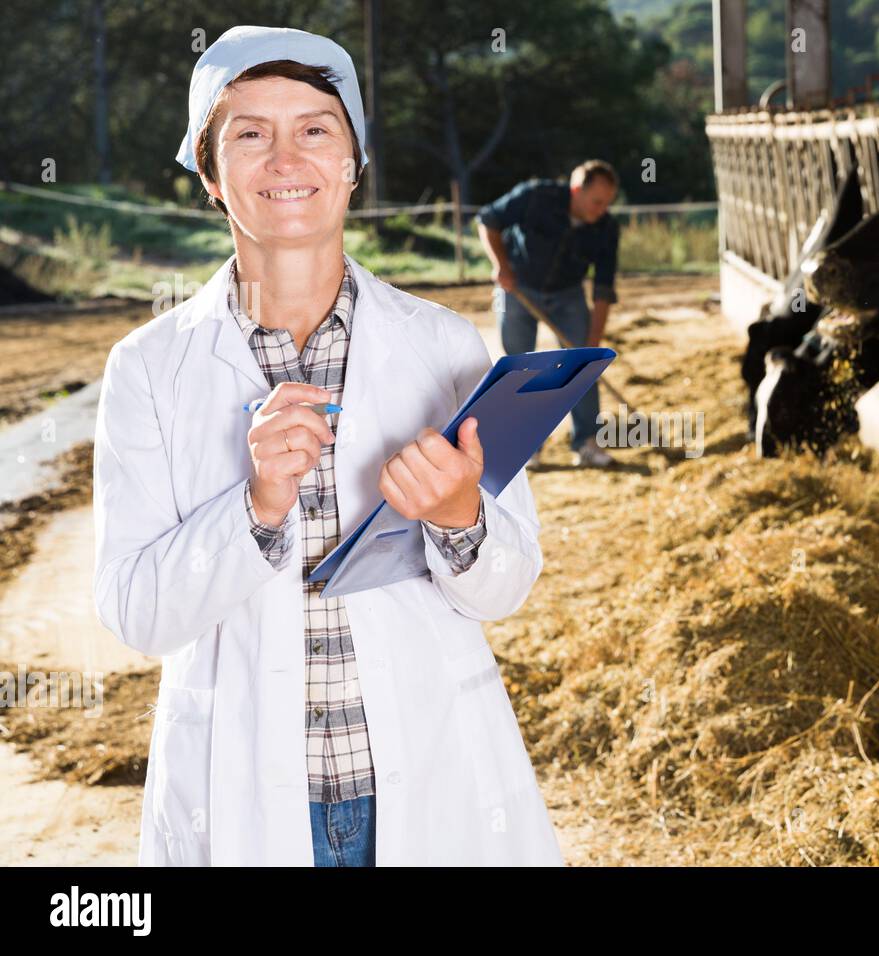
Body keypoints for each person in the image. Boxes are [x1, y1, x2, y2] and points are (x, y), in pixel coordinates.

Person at [91, 25, 563, 866]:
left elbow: (505, 587)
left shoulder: (446, 348)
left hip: (428, 780)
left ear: (354, 161)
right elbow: (136, 614)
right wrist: (256, 508)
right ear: (209, 173)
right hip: (236, 797)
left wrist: (459, 518)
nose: (285, 159)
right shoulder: (148, 369)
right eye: (248, 135)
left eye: (315, 129)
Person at [475, 161, 621, 467]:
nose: (602, 209)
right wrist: (501, 265)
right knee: (519, 365)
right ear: (576, 190)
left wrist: (593, 342)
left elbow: (603, 288)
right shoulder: (535, 196)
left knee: (583, 364)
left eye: (608, 203)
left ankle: (586, 442)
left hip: (568, 293)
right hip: (518, 287)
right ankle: (528, 445)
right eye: (597, 202)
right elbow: (488, 220)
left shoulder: (606, 227)